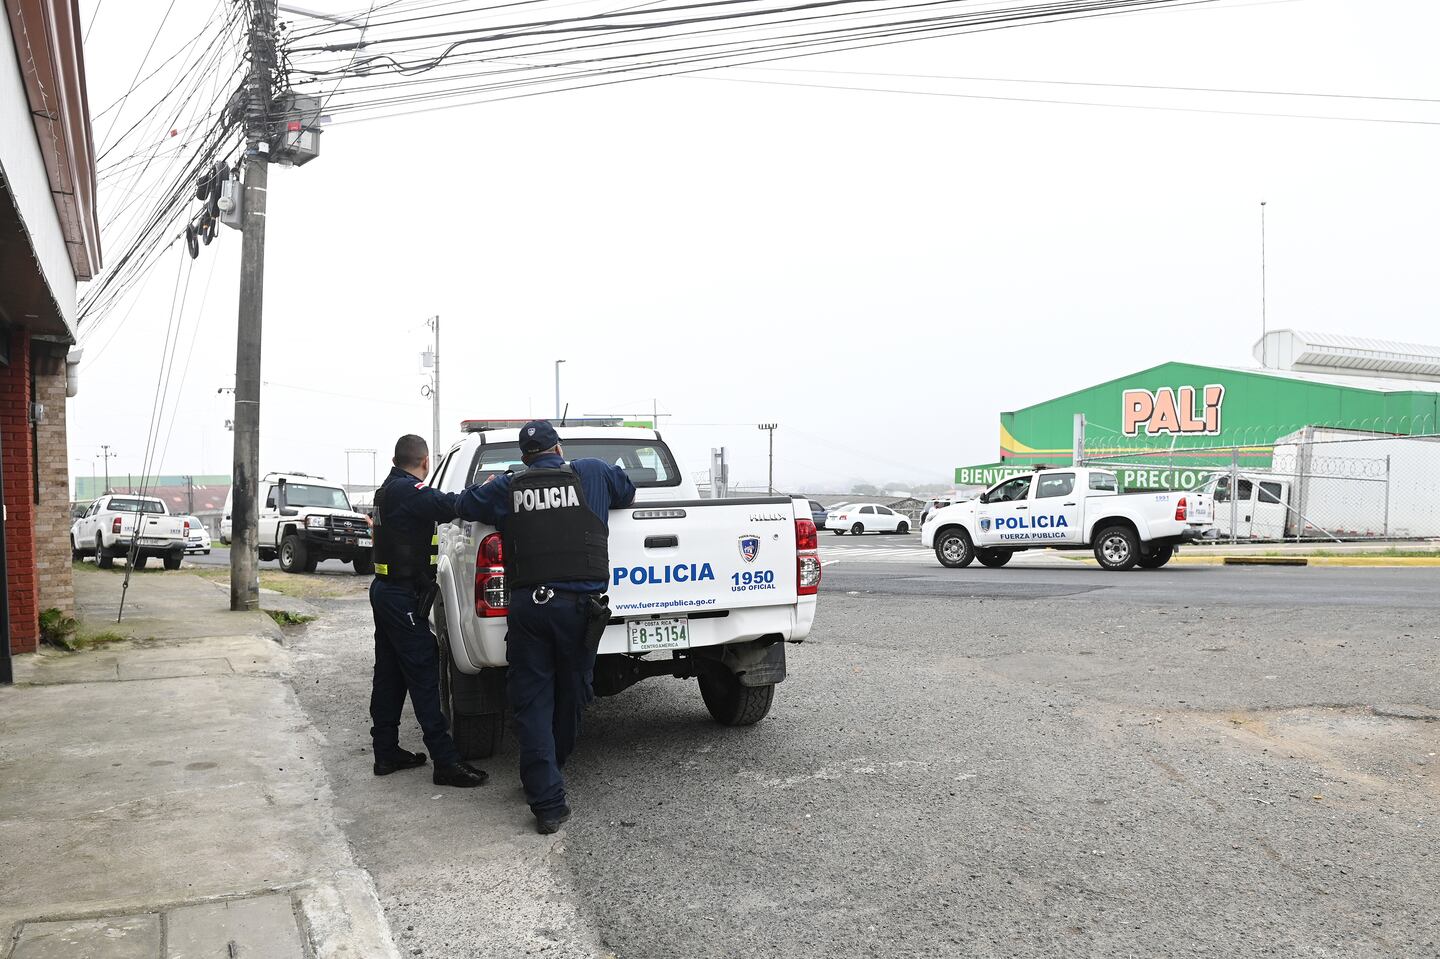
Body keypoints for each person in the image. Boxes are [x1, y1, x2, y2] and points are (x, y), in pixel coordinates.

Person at [456, 419, 635, 834]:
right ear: (559, 448)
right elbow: (626, 491)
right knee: (573, 693)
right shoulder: (592, 471)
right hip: (580, 610)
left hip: (530, 609)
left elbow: (466, 505)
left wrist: (496, 482)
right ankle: (550, 771)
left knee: (532, 700)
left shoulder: (509, 486)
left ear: (525, 456)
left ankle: (548, 800)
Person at [369, 434, 489, 788]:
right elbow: (452, 503)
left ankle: (386, 752)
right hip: (400, 595)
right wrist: (490, 489)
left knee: (390, 674)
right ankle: (446, 762)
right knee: (423, 673)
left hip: (390, 592)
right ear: (424, 462)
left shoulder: (389, 489)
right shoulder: (408, 491)